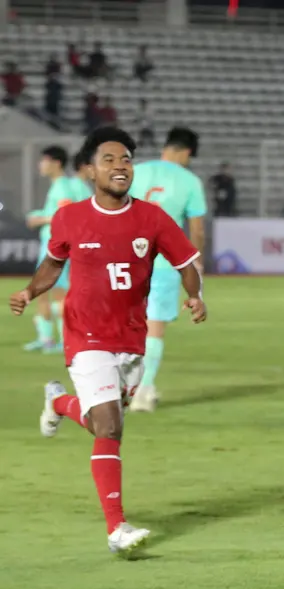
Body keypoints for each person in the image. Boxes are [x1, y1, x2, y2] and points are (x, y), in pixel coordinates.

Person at [7, 126, 206, 556]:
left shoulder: (152, 218)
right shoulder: (71, 217)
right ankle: (117, 528)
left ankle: (59, 402)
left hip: (131, 336)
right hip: (85, 333)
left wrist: (195, 295)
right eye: (109, 160)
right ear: (90, 171)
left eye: (126, 160)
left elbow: (186, 262)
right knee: (111, 427)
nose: (120, 167)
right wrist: (30, 291)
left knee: (103, 423)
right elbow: (53, 263)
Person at [127, 127, 208, 412]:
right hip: (162, 262)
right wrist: (196, 261)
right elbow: (197, 229)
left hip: (126, 259)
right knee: (154, 326)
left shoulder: (136, 171)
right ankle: (142, 390)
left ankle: (112, 387)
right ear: (187, 152)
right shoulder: (190, 181)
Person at [23, 146, 94, 353]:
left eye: (44, 160)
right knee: (42, 291)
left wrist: (39, 219)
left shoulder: (63, 186)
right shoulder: (58, 186)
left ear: (56, 163)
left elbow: (64, 216)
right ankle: (46, 338)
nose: (40, 165)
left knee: (59, 293)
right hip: (50, 244)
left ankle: (66, 341)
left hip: (57, 246)